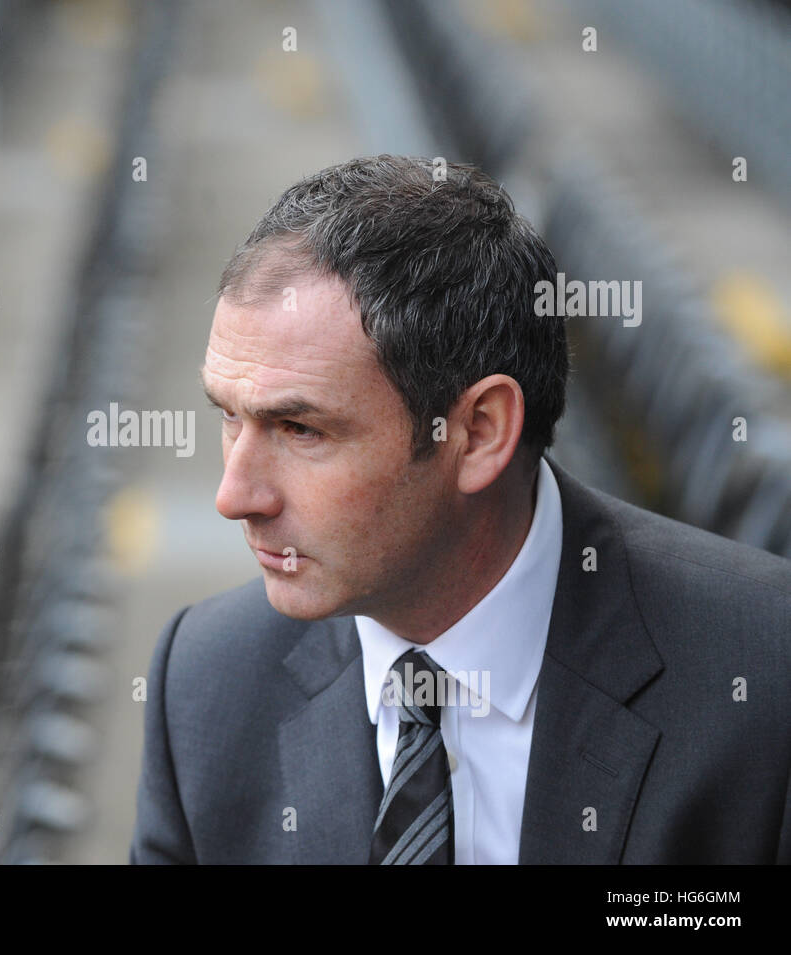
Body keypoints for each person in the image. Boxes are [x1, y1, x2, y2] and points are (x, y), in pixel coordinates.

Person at [129, 155, 791, 864]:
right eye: (230, 417)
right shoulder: (204, 684)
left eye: (300, 429)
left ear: (479, 433)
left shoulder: (763, 676)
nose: (234, 495)